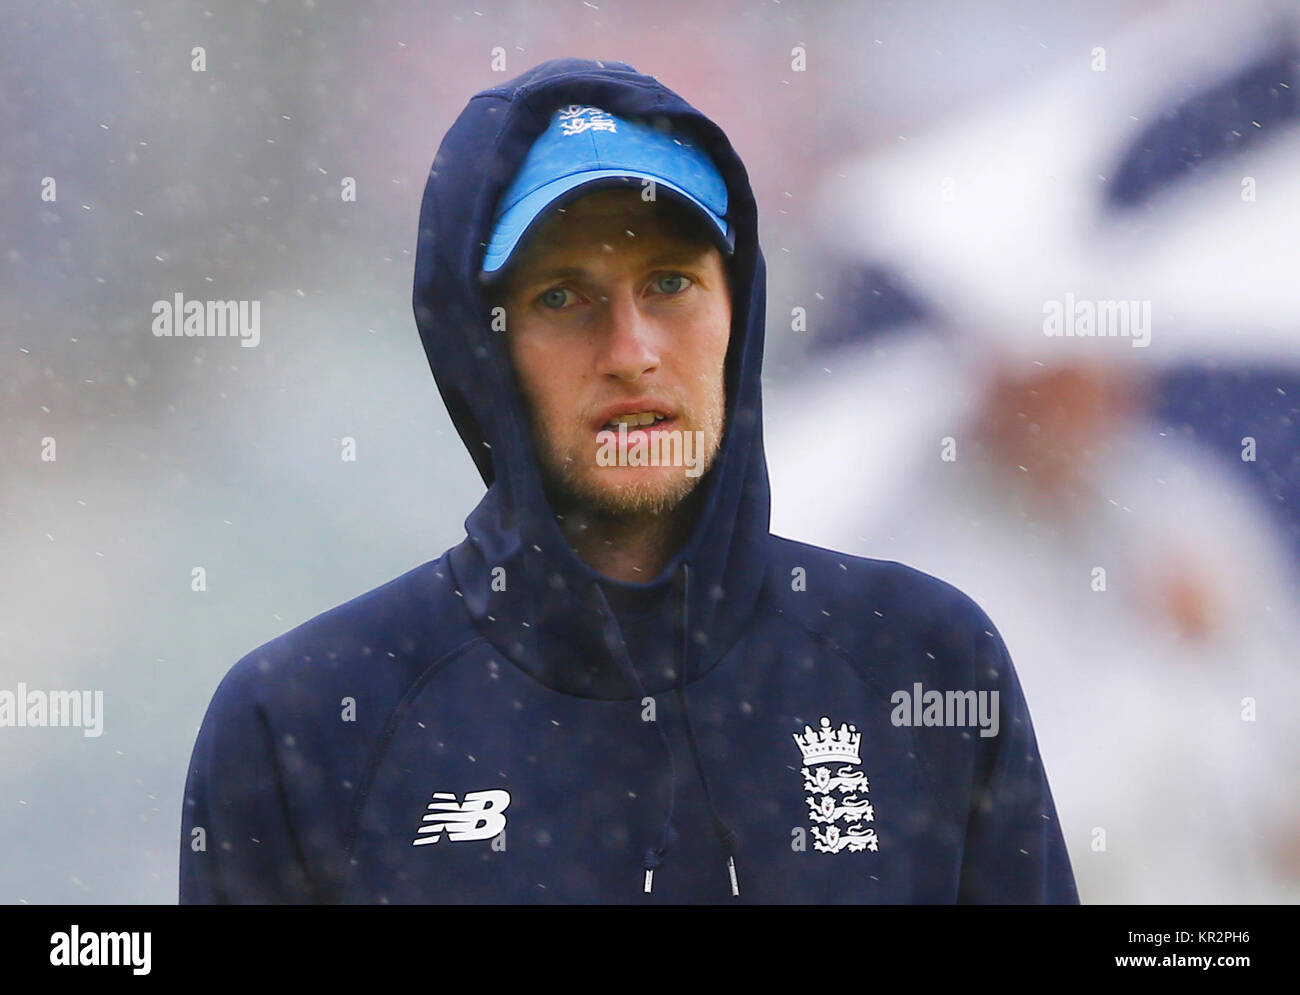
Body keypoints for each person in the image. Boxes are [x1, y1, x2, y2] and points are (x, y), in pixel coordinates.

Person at [179, 57, 1077, 904]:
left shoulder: (920, 658)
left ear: (740, 313)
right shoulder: (303, 721)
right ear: (481, 349)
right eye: (563, 297)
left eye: (671, 283)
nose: (632, 352)